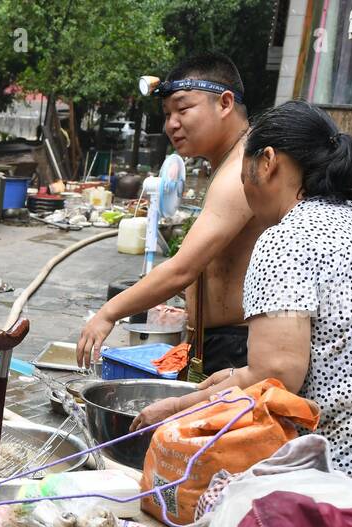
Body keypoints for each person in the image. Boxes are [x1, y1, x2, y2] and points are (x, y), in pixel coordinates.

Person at [131, 101, 352, 497]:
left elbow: (275, 377)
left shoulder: (286, 238)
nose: (243, 186)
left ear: (267, 162)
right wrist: (226, 380)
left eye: (244, 172)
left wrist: (177, 408)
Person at [77, 53, 263, 375]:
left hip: (237, 346)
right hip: (218, 341)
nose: (171, 124)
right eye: (167, 113)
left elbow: (182, 269)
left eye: (183, 108)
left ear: (225, 103)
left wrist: (108, 313)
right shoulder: (227, 164)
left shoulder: (240, 170)